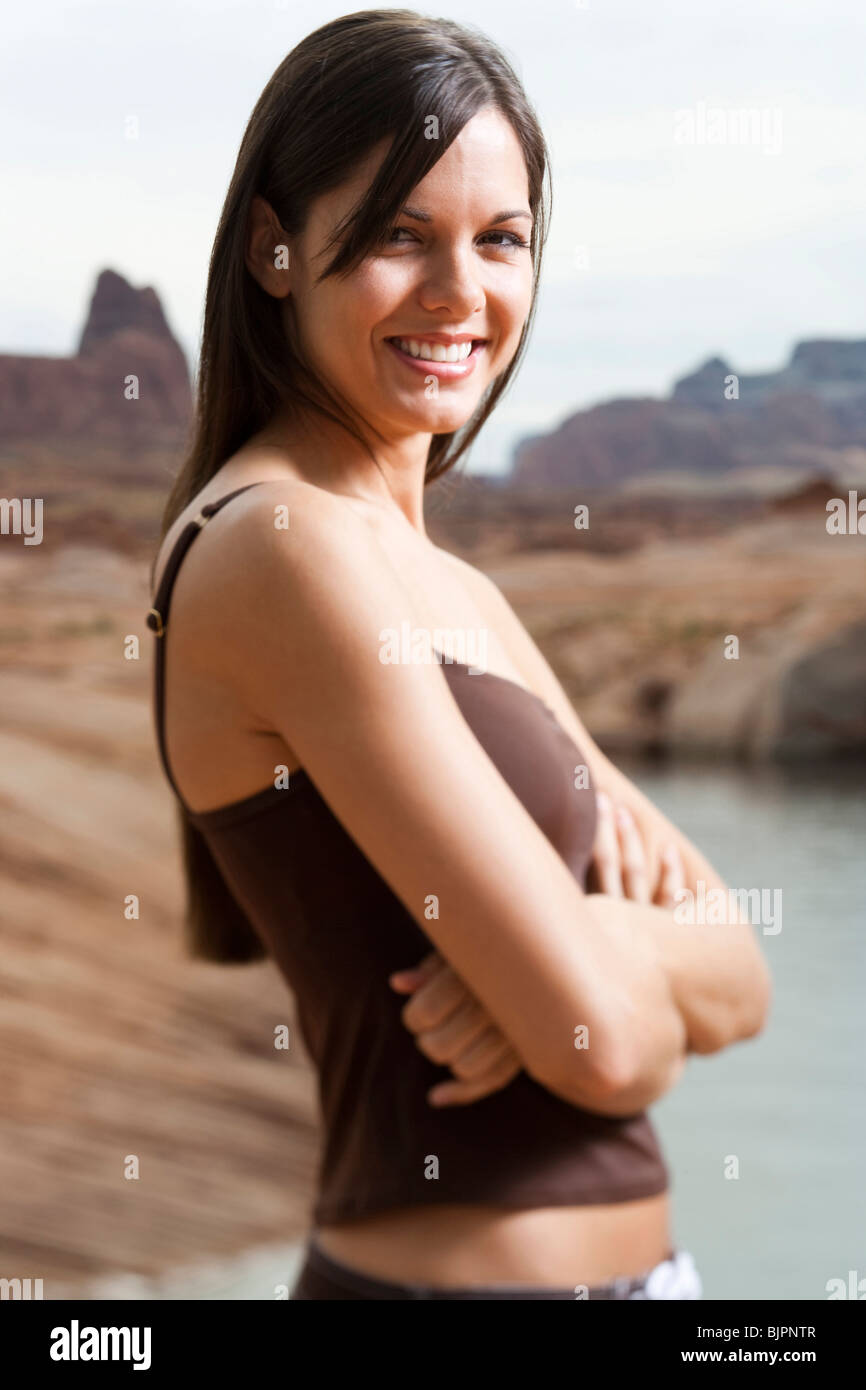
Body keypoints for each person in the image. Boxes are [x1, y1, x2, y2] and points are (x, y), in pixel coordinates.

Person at [147, 10, 771, 1300]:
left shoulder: (452, 585)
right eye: (398, 235)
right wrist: (585, 975)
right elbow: (609, 1051)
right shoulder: (282, 547)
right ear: (273, 247)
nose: (459, 294)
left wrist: (579, 946)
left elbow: (741, 971)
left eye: (502, 241)